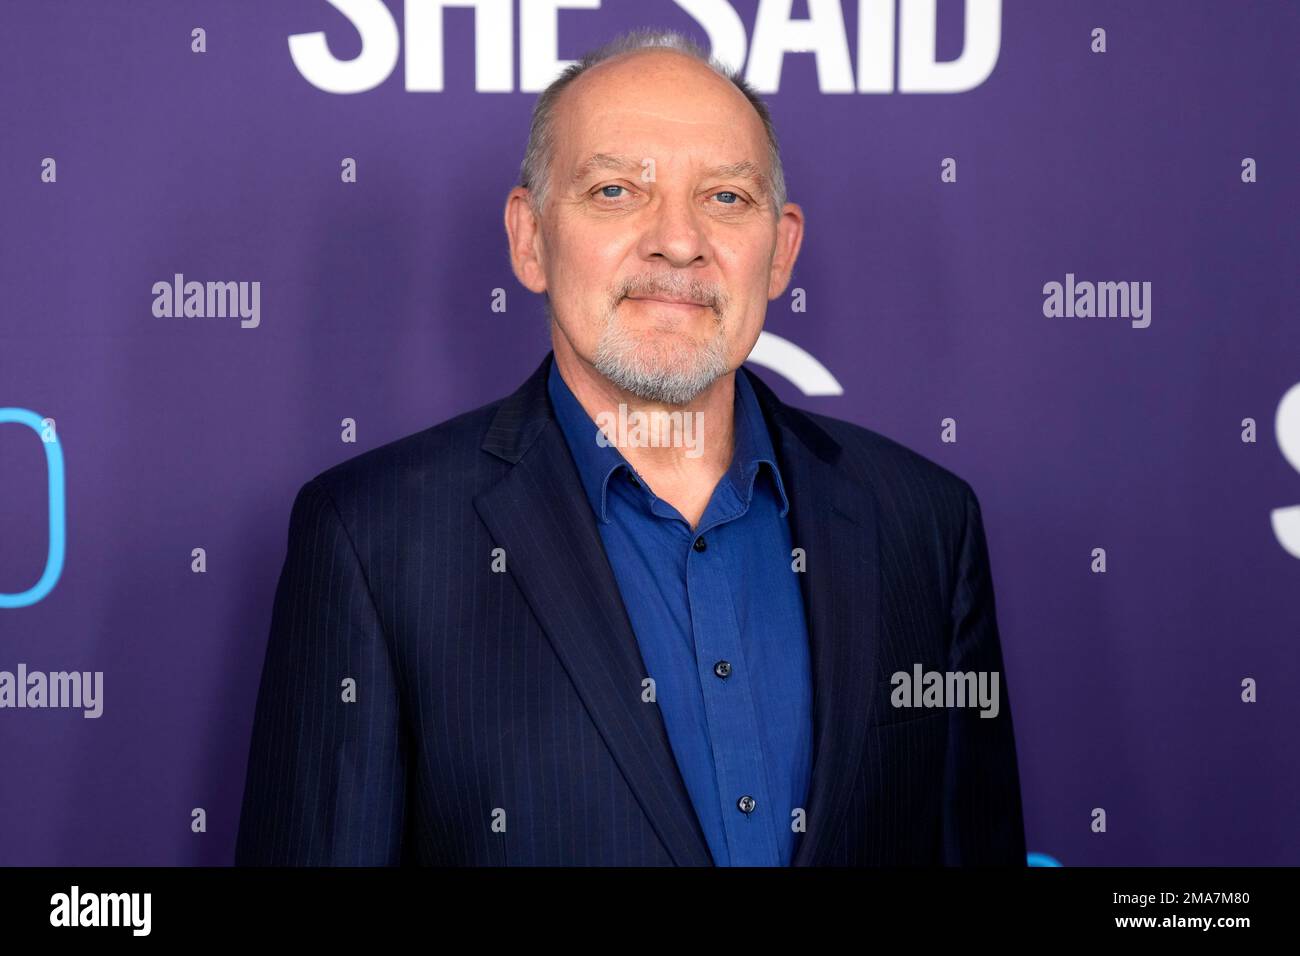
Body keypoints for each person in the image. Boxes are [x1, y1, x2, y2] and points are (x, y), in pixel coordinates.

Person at [235, 28, 1025, 867]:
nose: (678, 240)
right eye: (615, 191)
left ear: (781, 250)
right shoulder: (373, 540)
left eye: (726, 198)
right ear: (529, 238)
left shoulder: (926, 525)